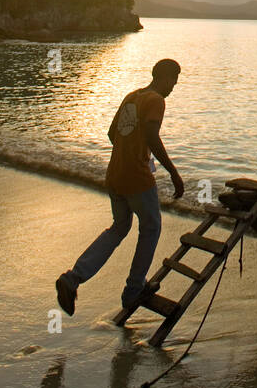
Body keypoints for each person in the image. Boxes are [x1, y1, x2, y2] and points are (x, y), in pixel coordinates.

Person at [55, 59, 184, 316]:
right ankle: (133, 289)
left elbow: (113, 134)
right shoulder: (156, 100)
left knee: (119, 227)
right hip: (136, 178)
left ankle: (73, 278)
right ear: (165, 76)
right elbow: (151, 134)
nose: (175, 86)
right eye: (174, 79)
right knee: (151, 228)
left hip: (115, 175)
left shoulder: (132, 96)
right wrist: (173, 172)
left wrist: (132, 151)